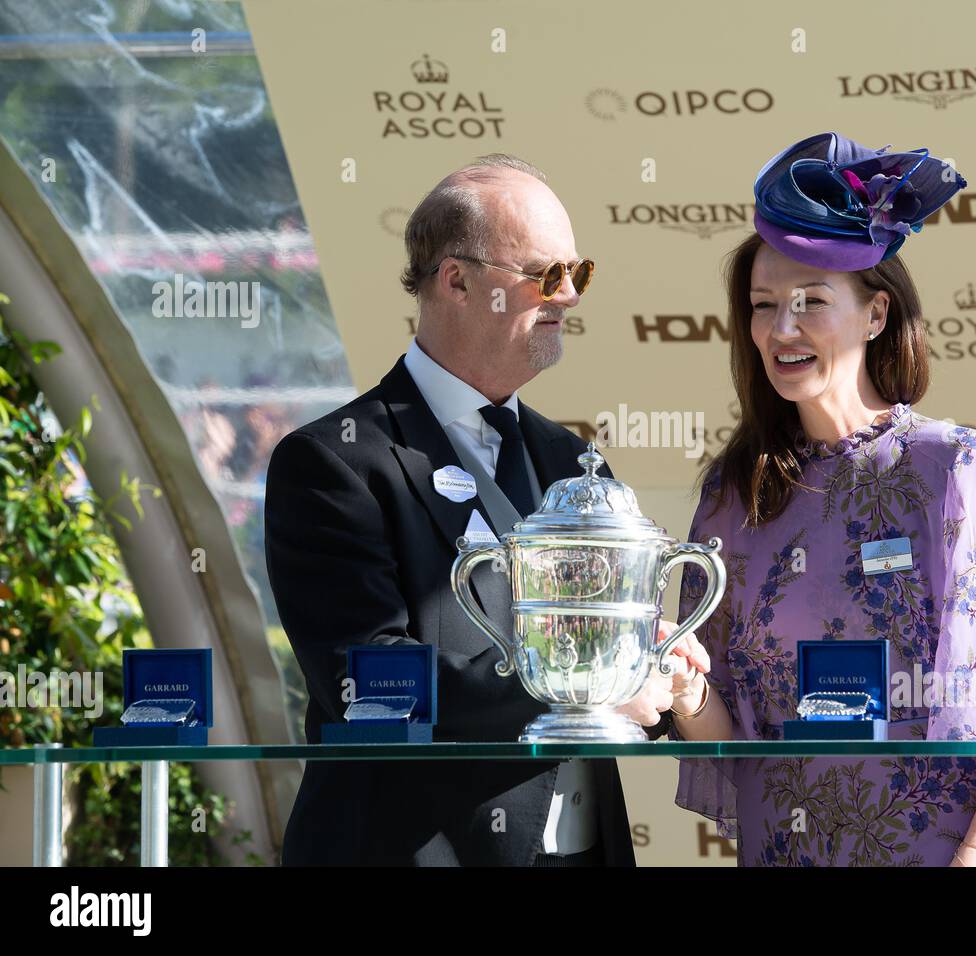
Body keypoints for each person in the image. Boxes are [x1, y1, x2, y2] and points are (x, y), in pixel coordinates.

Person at [666, 132, 976, 866]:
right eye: (764, 306)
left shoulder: (954, 468)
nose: (781, 329)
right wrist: (678, 687)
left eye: (810, 302)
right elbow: (729, 736)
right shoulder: (734, 494)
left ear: (876, 314)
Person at [264, 153, 697, 866]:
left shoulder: (572, 464)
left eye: (578, 274)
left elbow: (627, 699)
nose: (570, 296)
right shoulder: (335, 462)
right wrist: (596, 689)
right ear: (456, 280)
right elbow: (374, 684)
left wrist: (659, 662)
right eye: (546, 276)